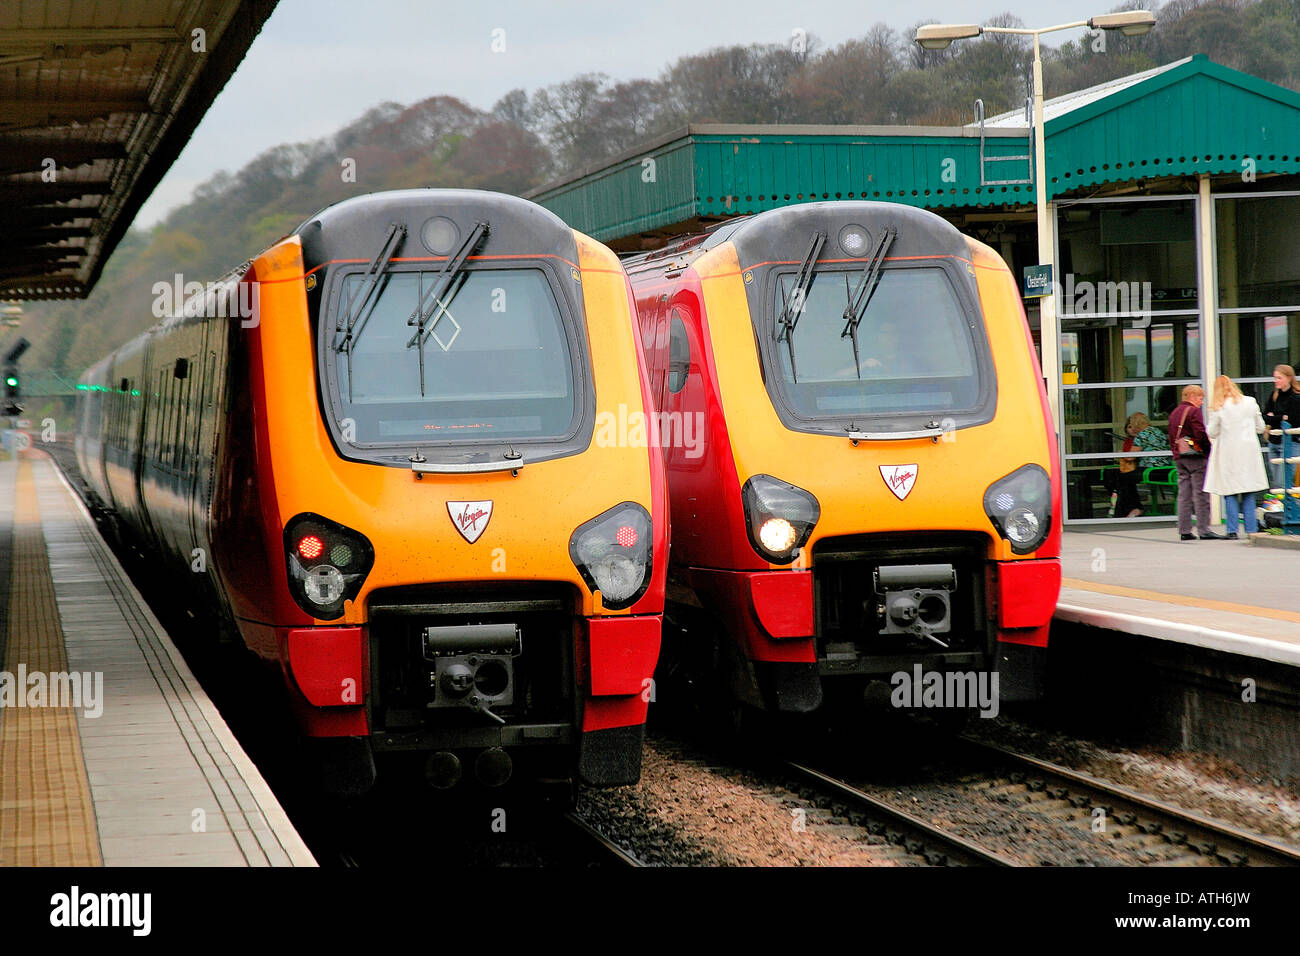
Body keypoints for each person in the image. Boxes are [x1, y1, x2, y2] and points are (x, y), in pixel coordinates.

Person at [1203, 375, 1268, 538]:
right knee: (1248, 491)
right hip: (1249, 451)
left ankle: (1232, 530)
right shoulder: (1250, 402)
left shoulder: (1219, 407)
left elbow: (1212, 431)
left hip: (1228, 452)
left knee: (1230, 491)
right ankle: (1251, 530)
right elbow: (1260, 427)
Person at [1169, 384, 1221, 540]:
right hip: (1195, 457)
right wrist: (1208, 450)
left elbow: (1172, 436)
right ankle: (1204, 530)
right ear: (1191, 396)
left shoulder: (1174, 412)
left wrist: (1176, 453)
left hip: (1180, 457)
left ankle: (1184, 530)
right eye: (1200, 398)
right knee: (1200, 494)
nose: (1202, 402)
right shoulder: (1193, 411)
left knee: (1184, 494)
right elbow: (1200, 433)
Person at [1106, 412, 1172, 517]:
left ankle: (1135, 507)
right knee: (1125, 477)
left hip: (1150, 470)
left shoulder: (1142, 435)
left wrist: (1120, 454)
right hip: (1165, 469)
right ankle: (1129, 508)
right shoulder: (1158, 432)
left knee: (1123, 478)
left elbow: (1130, 457)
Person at [1262, 364, 1300, 490]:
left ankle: (1290, 508)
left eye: (1279, 378)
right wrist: (1280, 417)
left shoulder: (1296, 397)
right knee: (1277, 483)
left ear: (1289, 378)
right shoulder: (1274, 395)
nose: (1276, 381)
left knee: (1284, 482)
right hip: (1274, 441)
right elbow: (1265, 417)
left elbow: (1293, 420)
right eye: (1275, 378)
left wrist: (1274, 417)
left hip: (1290, 442)